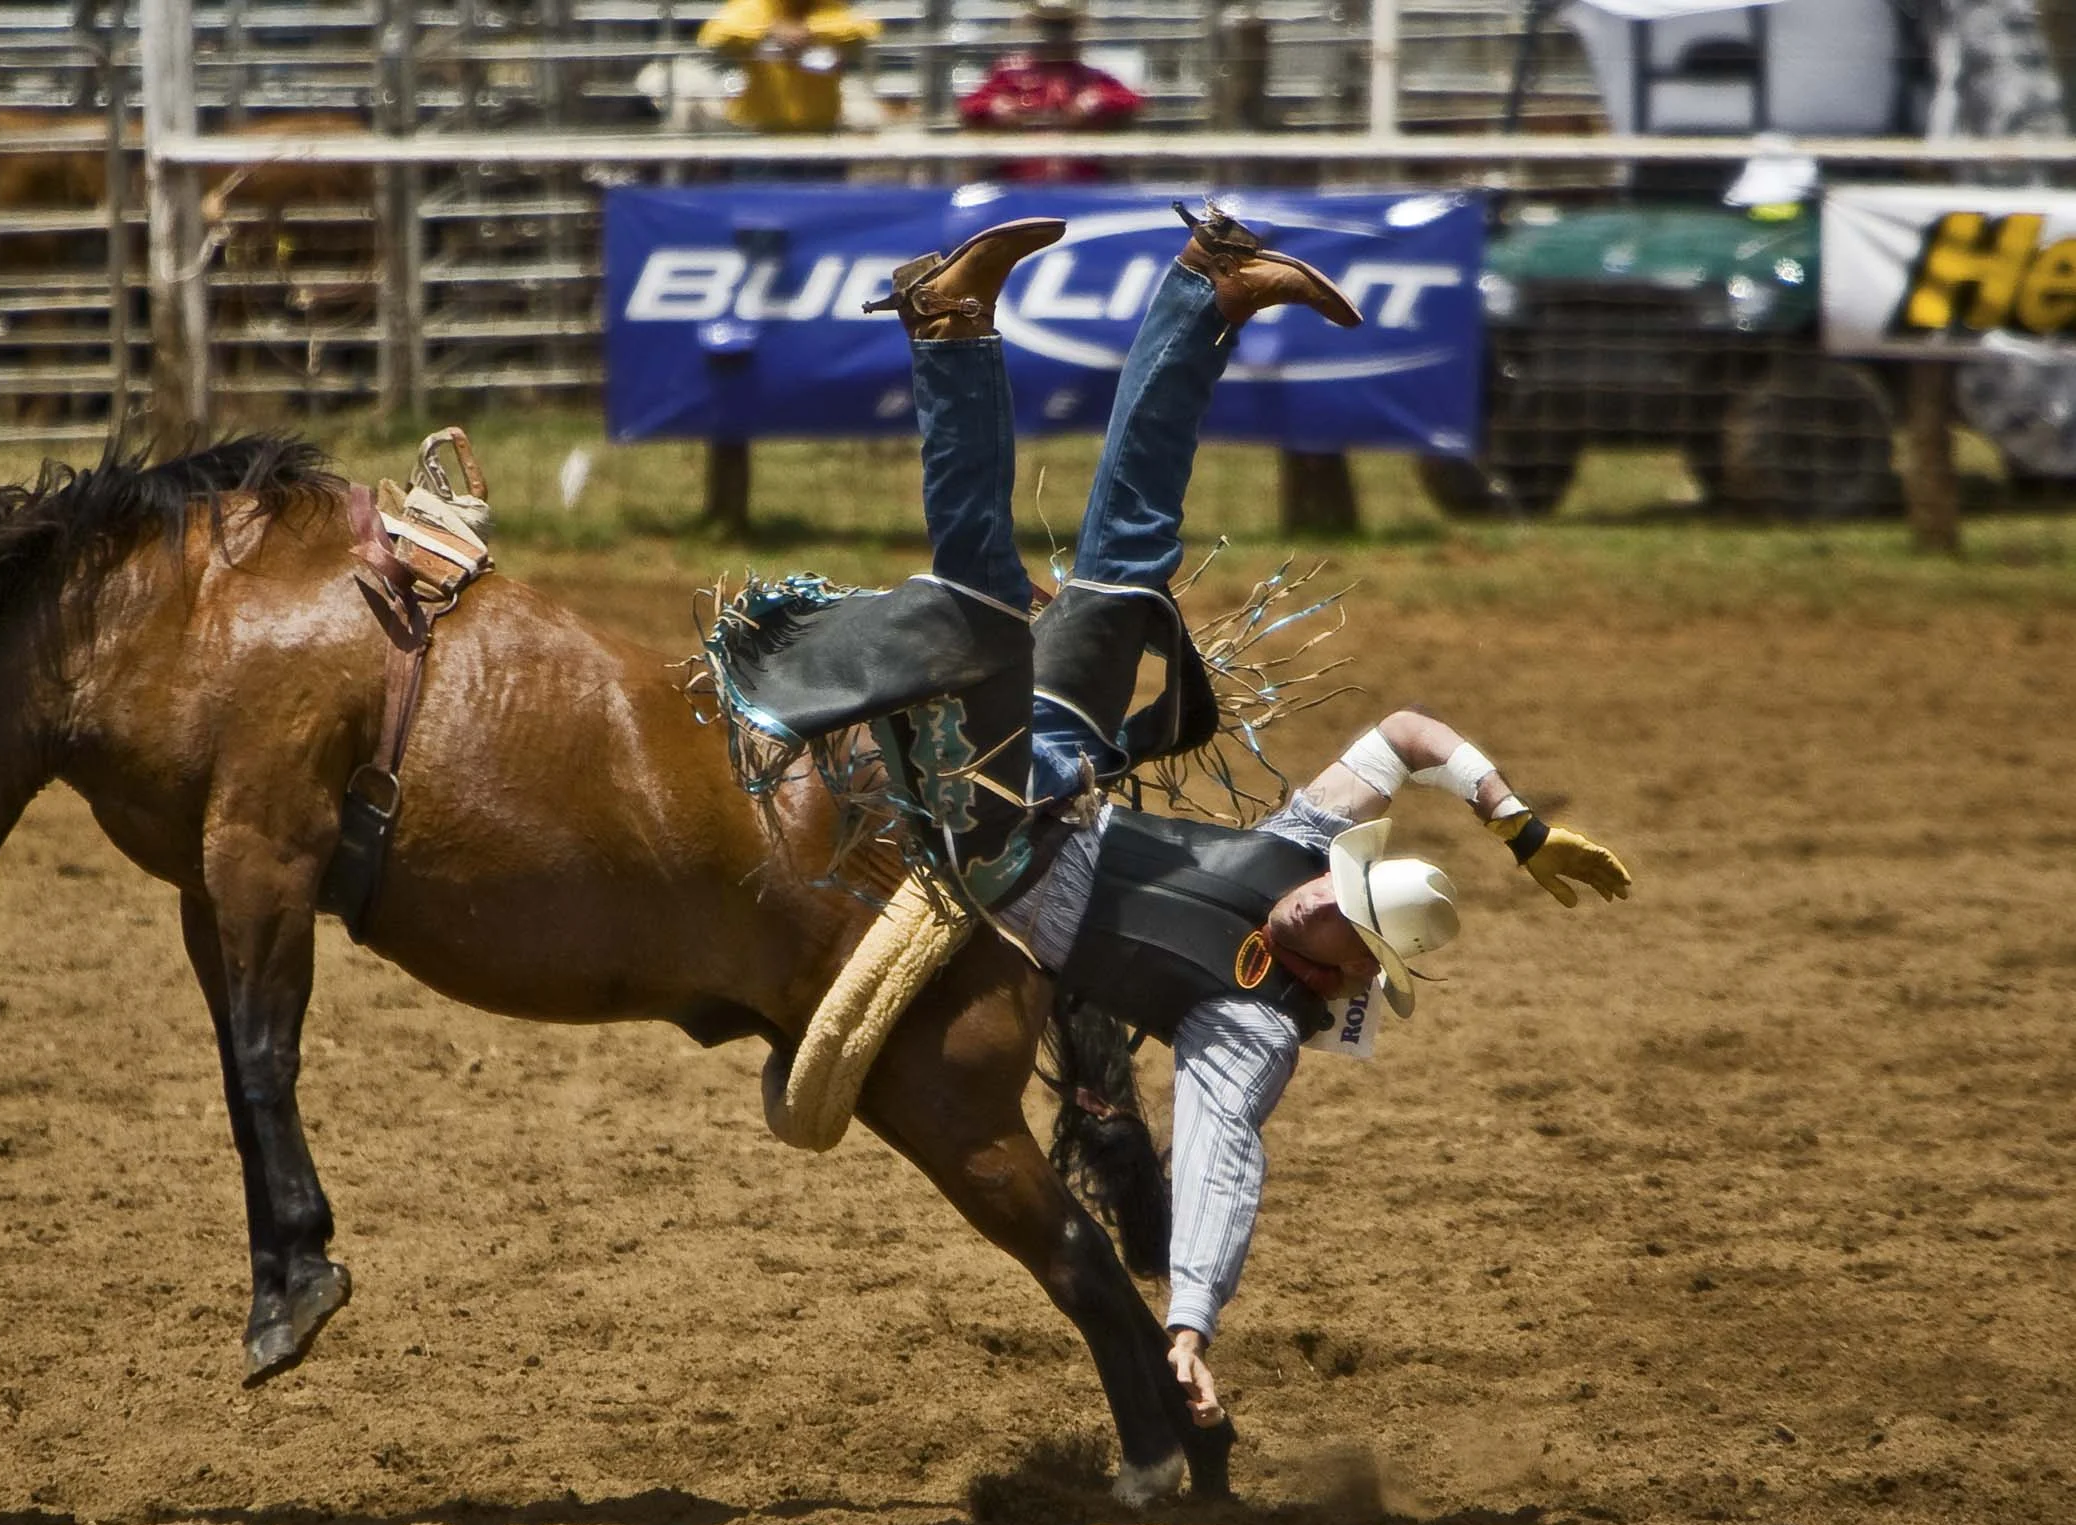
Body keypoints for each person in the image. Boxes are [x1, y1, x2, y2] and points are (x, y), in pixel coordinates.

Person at [706, 205, 1633, 1434]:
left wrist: (1189, 1325)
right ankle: (1206, 290)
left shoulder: (1249, 1025)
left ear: (1349, 965)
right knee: (1131, 561)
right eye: (1343, 883)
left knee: (981, 590)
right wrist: (1515, 825)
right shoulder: (1303, 848)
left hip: (996, 835)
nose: (1321, 892)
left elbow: (1218, 1172)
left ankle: (947, 324)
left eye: (1342, 913)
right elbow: (1407, 735)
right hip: (1069, 754)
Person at [957, 0, 1144, 183]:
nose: (1055, 37)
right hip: (1017, 182)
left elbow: (1131, 102)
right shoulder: (1011, 74)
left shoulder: (1090, 77)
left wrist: (1095, 102)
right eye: (1047, 28)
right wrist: (998, 108)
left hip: (1083, 182)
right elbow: (970, 106)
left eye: (1064, 28)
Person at [696, 0, 881, 134]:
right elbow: (714, 35)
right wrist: (768, 30)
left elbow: (865, 30)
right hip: (761, 131)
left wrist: (810, 30)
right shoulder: (755, 6)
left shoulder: (828, 6)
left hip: (820, 129)